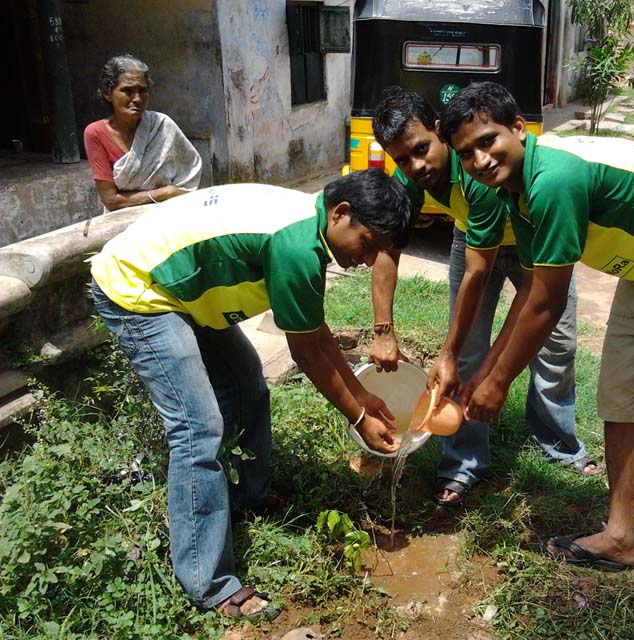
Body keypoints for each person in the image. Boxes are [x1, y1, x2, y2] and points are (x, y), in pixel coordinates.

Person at [439, 82, 634, 640]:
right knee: (620, 400)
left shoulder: (554, 180)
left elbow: (548, 303)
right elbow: (530, 292)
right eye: (466, 152)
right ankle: (619, 535)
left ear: (520, 128)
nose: (479, 159)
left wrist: (499, 384)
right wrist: (482, 375)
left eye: (488, 141)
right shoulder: (516, 186)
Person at [89, 170, 411, 618]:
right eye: (369, 243)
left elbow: (312, 329)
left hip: (184, 290)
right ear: (342, 213)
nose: (370, 258)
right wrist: (358, 416)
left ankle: (249, 497)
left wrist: (361, 394)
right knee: (197, 429)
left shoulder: (313, 226)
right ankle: (210, 583)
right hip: (139, 289)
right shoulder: (298, 244)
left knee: (246, 384)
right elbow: (306, 353)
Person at [368, 88, 597, 507]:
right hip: (468, 239)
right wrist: (383, 329)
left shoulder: (478, 172)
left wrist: (448, 352)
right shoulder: (409, 179)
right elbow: (387, 246)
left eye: (422, 149)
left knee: (555, 345)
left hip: (532, 239)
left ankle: (556, 442)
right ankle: (463, 463)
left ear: (439, 132)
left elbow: (480, 270)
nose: (416, 165)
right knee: (470, 351)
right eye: (403, 159)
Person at [83, 54, 201, 211]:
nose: (137, 98)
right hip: (123, 219)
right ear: (107, 93)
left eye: (142, 91)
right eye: (127, 91)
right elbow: (111, 200)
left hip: (170, 212)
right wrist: (163, 193)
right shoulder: (95, 133)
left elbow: (188, 175)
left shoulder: (162, 126)